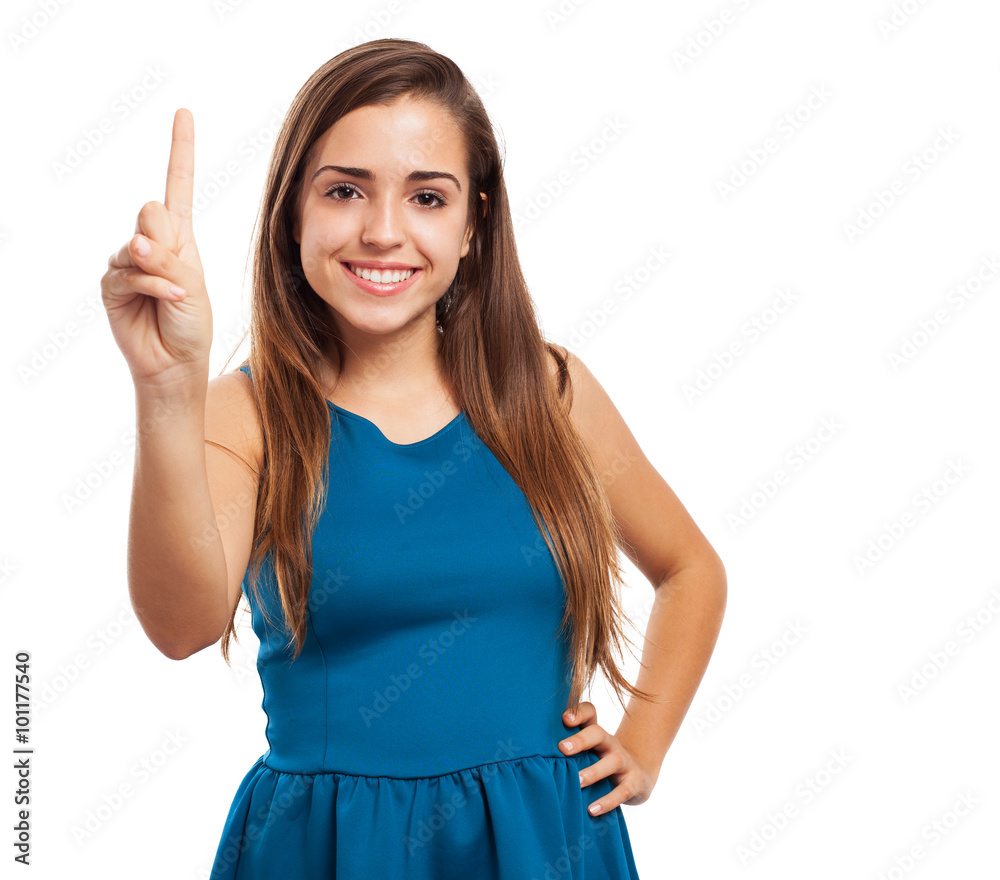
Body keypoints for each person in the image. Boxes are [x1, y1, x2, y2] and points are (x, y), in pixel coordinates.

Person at [100, 38, 727, 879]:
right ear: (293, 212)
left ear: (475, 223)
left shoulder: (550, 393)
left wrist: (643, 744)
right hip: (328, 851)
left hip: (545, 843)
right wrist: (168, 389)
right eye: (345, 190)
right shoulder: (249, 416)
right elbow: (181, 627)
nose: (383, 231)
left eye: (427, 196)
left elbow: (690, 567)